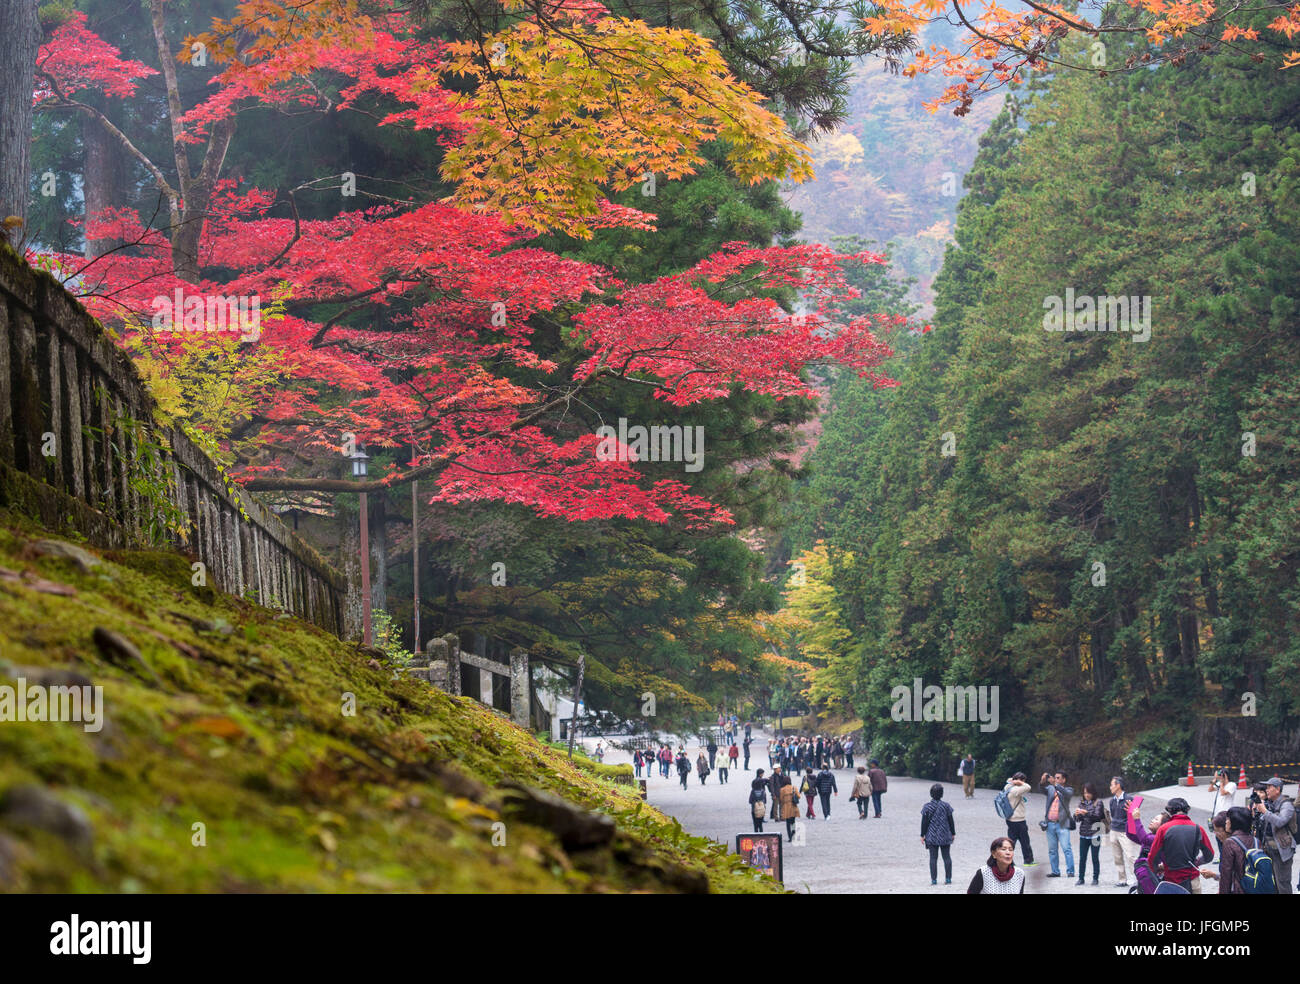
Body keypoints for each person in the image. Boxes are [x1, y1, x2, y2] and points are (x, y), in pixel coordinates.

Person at [1147, 797, 1214, 893]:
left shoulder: (1163, 829)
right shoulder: (1198, 829)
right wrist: (1196, 862)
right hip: (1192, 880)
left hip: (1171, 882)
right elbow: (1209, 855)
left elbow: (1153, 857)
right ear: (1187, 810)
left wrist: (1157, 870)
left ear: (1169, 810)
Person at [1251, 776, 1295, 894]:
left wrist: (1264, 811)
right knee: (1273, 882)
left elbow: (1280, 821)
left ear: (1277, 789)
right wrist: (1256, 811)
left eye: (1269, 787)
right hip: (1269, 849)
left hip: (1282, 850)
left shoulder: (1286, 804)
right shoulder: (1270, 803)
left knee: (1283, 883)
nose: (1267, 790)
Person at [1199, 806, 1256, 894]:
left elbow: (1227, 878)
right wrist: (1214, 875)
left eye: (1228, 820)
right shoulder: (1255, 840)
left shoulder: (1230, 843)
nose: (1227, 822)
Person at [1040, 770, 1075, 879]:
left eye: (1058, 778)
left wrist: (1055, 784)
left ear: (1064, 780)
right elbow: (1041, 789)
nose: (1055, 779)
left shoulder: (1069, 790)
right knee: (1052, 850)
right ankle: (1055, 871)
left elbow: (1066, 794)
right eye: (1055, 777)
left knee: (1066, 849)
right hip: (1050, 824)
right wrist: (1042, 781)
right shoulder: (1050, 788)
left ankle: (1070, 871)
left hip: (1063, 823)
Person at [920, 783, 957, 885]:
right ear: (942, 794)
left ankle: (934, 880)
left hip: (931, 836)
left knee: (933, 858)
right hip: (945, 834)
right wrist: (953, 833)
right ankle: (948, 878)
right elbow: (951, 821)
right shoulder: (946, 806)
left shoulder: (927, 807)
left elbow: (924, 823)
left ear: (931, 794)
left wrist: (922, 835)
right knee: (947, 857)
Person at [1073, 782, 1105, 886]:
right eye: (1085, 793)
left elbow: (1097, 817)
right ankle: (1081, 878)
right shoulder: (1081, 803)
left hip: (1096, 834)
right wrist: (1076, 815)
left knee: (1095, 857)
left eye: (1088, 793)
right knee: (1082, 858)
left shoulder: (1098, 802)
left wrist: (1086, 813)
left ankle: (1095, 878)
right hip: (1083, 834)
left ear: (1093, 792)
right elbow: (1078, 820)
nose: (1086, 795)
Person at [1107, 776, 1137, 886]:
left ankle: (1136, 878)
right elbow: (1113, 815)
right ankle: (1122, 880)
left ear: (1118, 785)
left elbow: (1134, 816)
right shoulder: (1112, 801)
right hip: (1113, 831)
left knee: (1130, 856)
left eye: (1112, 784)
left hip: (1125, 832)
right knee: (1117, 857)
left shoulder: (1130, 799)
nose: (1110, 787)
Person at [1002, 772, 1036, 865]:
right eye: (1023, 780)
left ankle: (1008, 861)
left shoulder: (1008, 787)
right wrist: (1020, 783)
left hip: (1010, 819)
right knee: (1024, 842)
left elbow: (1010, 781)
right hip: (1018, 820)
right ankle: (1028, 860)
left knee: (1011, 841)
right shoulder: (1015, 790)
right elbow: (1028, 787)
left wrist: (1013, 781)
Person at [778, 773, 800, 841]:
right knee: (793, 821)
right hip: (793, 806)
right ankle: (793, 834)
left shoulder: (782, 789)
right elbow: (799, 796)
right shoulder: (794, 787)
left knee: (787, 823)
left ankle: (790, 837)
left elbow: (781, 799)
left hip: (786, 806)